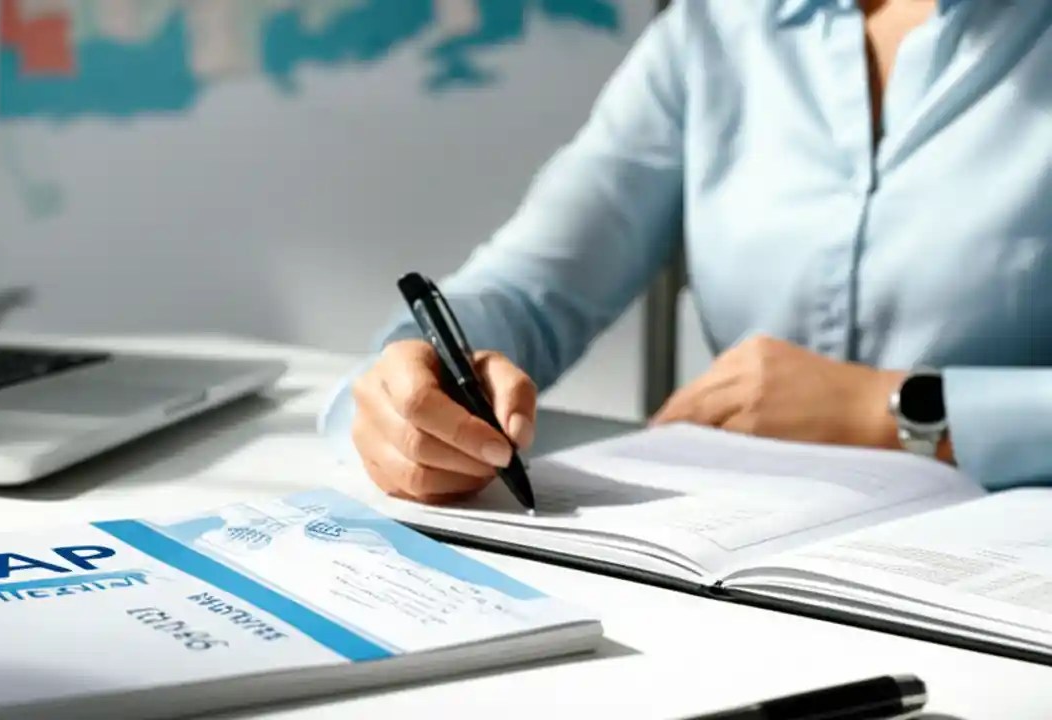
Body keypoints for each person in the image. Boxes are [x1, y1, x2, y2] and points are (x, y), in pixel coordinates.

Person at [320, 0, 1052, 504]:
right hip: (751, 562)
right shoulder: (718, 28)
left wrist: (901, 410)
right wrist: (417, 384)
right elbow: (531, 287)